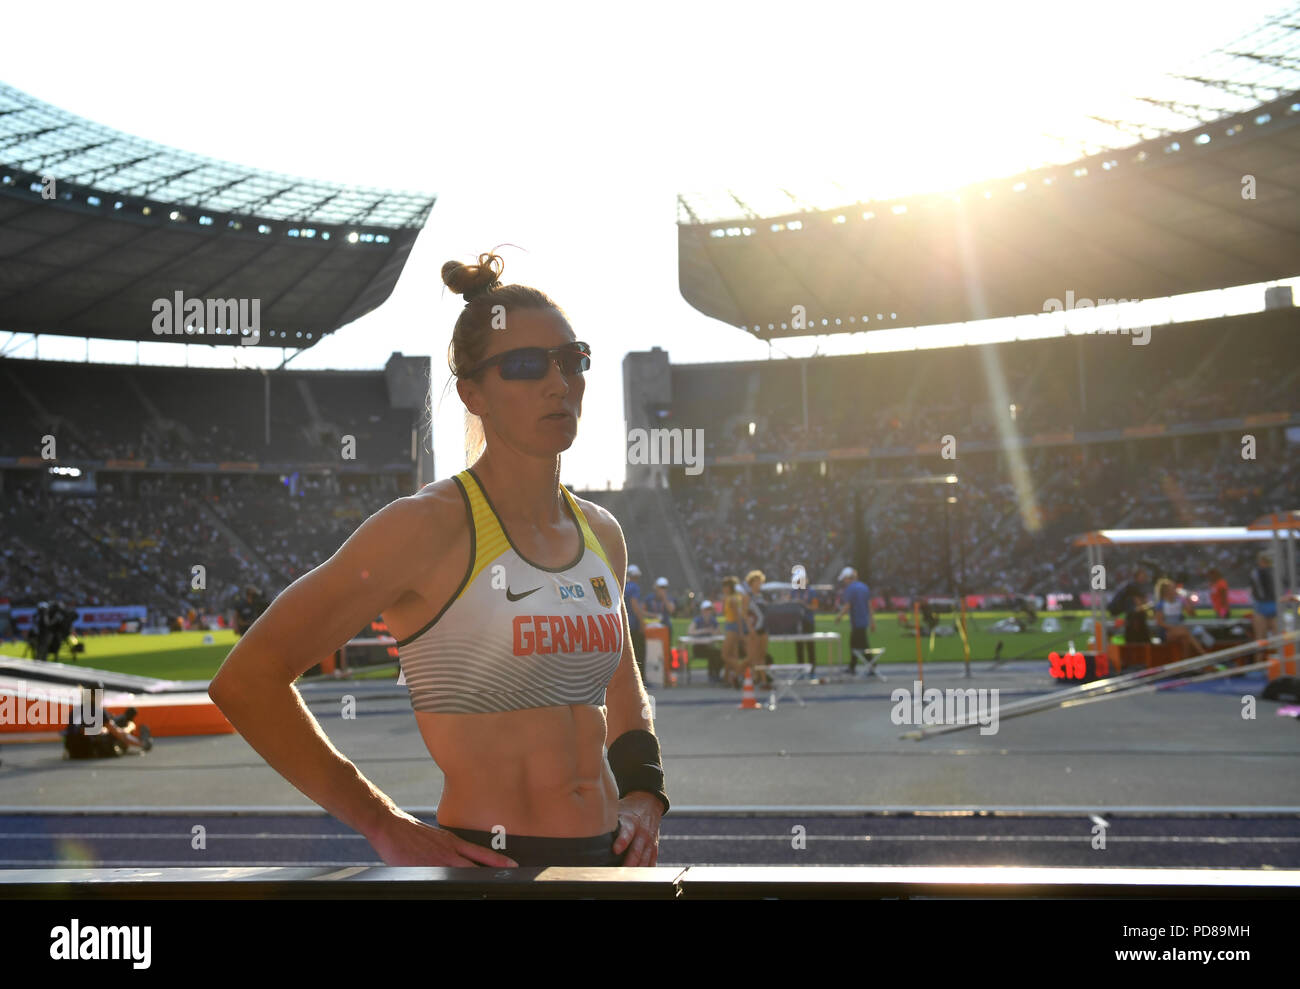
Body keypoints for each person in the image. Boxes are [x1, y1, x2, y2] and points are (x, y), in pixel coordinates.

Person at [209, 251, 666, 868]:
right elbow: (247, 680)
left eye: (570, 359)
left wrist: (643, 791)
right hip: (489, 869)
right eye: (526, 366)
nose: (558, 383)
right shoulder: (424, 527)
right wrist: (382, 821)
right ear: (473, 393)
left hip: (609, 861)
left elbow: (622, 682)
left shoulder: (602, 533)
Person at [835, 567, 878, 677]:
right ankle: (852, 666)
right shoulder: (864, 587)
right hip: (863, 621)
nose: (844, 581)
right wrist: (872, 621)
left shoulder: (850, 589)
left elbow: (847, 605)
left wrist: (839, 616)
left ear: (848, 578)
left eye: (844, 579)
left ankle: (871, 664)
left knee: (861, 645)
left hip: (857, 622)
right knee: (855, 644)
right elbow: (869, 606)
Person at [1153, 578, 1205, 656]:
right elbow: (1159, 622)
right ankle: (1203, 654)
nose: (1175, 590)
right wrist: (1173, 628)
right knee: (1185, 632)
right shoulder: (1161, 604)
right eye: (1173, 588)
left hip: (1178, 631)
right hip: (1166, 632)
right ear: (1166, 591)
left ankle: (1185, 660)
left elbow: (1192, 614)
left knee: (1185, 639)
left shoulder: (1179, 602)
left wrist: (1188, 601)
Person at [742, 571, 773, 689]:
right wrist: (750, 628)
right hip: (753, 629)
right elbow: (744, 613)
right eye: (756, 581)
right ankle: (755, 678)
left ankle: (763, 679)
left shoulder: (762, 596)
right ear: (751, 583)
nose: (759, 584)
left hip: (763, 627)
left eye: (760, 581)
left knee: (762, 655)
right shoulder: (747, 596)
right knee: (753, 656)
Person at [687, 601, 725, 684]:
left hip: (709, 646)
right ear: (702, 611)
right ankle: (712, 675)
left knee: (721, 654)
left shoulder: (713, 620)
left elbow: (720, 632)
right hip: (698, 648)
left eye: (709, 610)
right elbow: (690, 631)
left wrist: (715, 632)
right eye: (706, 610)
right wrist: (703, 630)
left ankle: (716, 674)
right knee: (713, 653)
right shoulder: (697, 620)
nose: (708, 612)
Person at [624, 564, 650, 687]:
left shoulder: (625, 587)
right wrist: (642, 622)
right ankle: (641, 680)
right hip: (634, 624)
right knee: (640, 652)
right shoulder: (634, 587)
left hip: (626, 623)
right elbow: (635, 606)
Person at [720, 576, 746, 687]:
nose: (723, 589)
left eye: (725, 587)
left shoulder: (732, 599)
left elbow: (737, 617)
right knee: (733, 655)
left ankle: (741, 671)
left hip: (732, 627)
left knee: (725, 655)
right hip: (730, 625)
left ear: (729, 587)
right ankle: (731, 679)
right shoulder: (731, 597)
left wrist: (740, 633)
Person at [1249, 552, 1279, 644]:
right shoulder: (1274, 571)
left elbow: (1257, 589)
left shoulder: (1258, 572)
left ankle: (1261, 656)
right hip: (1270, 603)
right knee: (1274, 635)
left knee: (1262, 637)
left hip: (1263, 604)